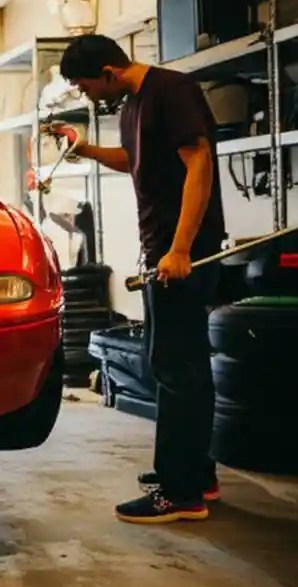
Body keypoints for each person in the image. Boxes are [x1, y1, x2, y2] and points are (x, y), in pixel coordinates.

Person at [47, 34, 226, 525]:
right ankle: (196, 472)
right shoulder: (132, 106)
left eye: (86, 87)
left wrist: (182, 248)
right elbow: (135, 159)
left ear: (108, 72)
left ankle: (180, 492)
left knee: (175, 366)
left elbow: (199, 162)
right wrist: (86, 151)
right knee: (176, 361)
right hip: (161, 253)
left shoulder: (171, 90)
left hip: (182, 254)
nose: (88, 97)